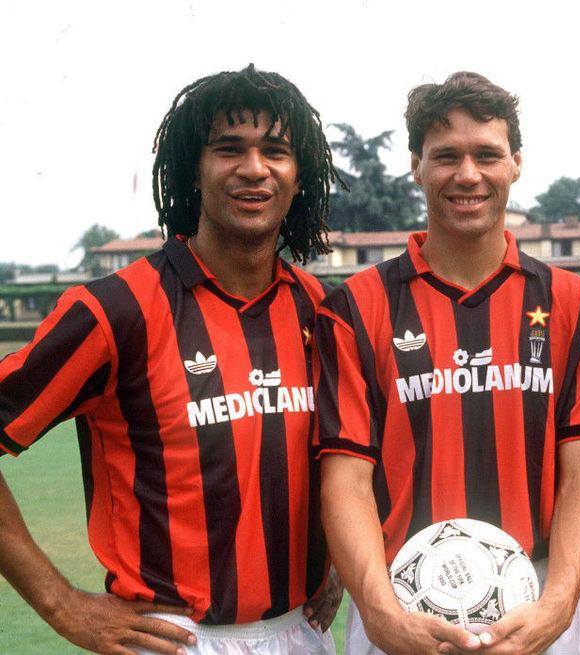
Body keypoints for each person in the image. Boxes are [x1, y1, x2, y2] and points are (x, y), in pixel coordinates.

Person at [0, 64, 344, 655]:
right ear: (194, 166)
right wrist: (63, 607)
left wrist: (335, 558)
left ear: (298, 175)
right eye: (228, 149)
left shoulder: (317, 308)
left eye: (276, 151)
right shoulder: (115, 310)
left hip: (299, 633)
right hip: (170, 640)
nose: (254, 169)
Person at [315, 71, 580, 655]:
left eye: (487, 154)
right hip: (401, 611)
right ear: (416, 165)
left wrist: (557, 609)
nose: (468, 175)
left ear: (516, 163)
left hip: (544, 605)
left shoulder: (577, 305)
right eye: (446, 156)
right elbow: (346, 481)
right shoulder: (356, 308)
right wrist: (379, 614)